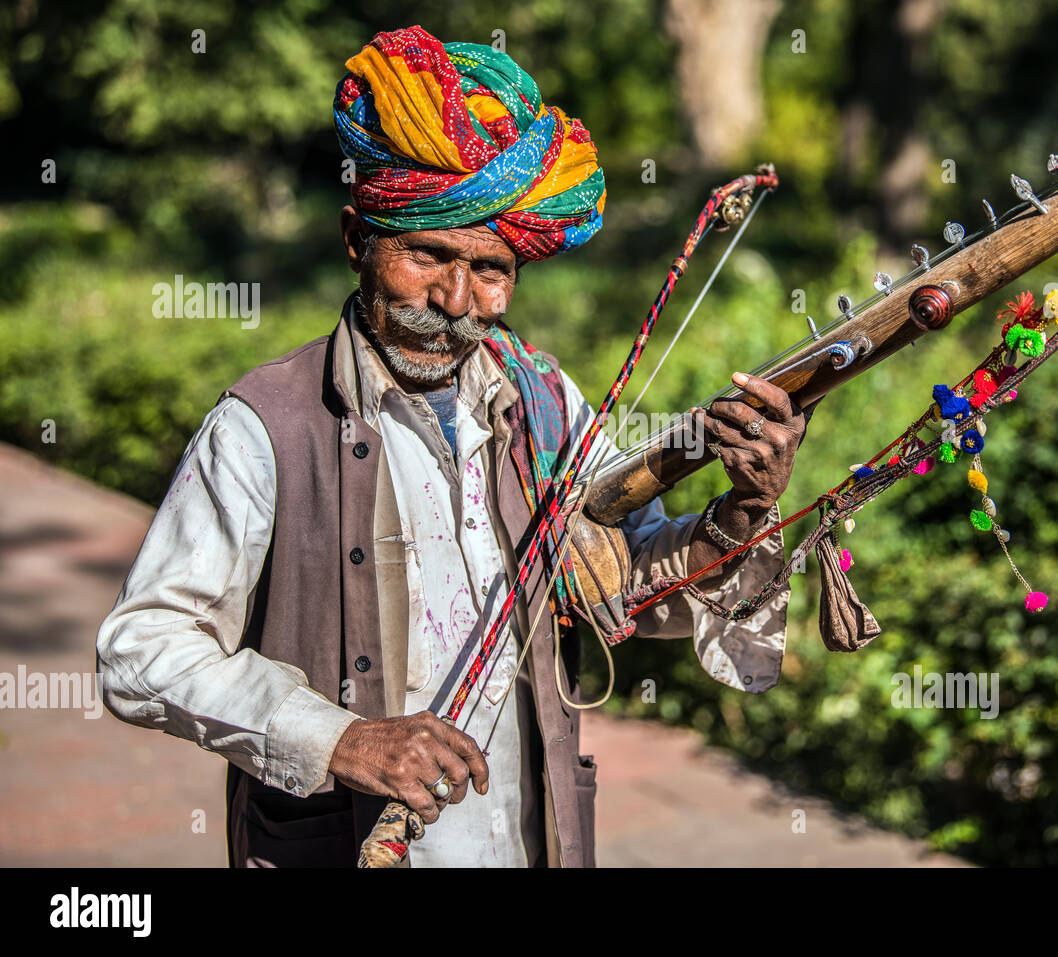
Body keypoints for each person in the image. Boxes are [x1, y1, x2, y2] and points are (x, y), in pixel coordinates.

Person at [96, 25, 805, 868]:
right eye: (428, 254)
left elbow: (625, 582)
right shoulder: (265, 425)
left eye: (492, 268)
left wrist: (745, 510)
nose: (458, 299)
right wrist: (339, 738)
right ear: (359, 239)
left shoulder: (545, 401)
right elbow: (142, 649)